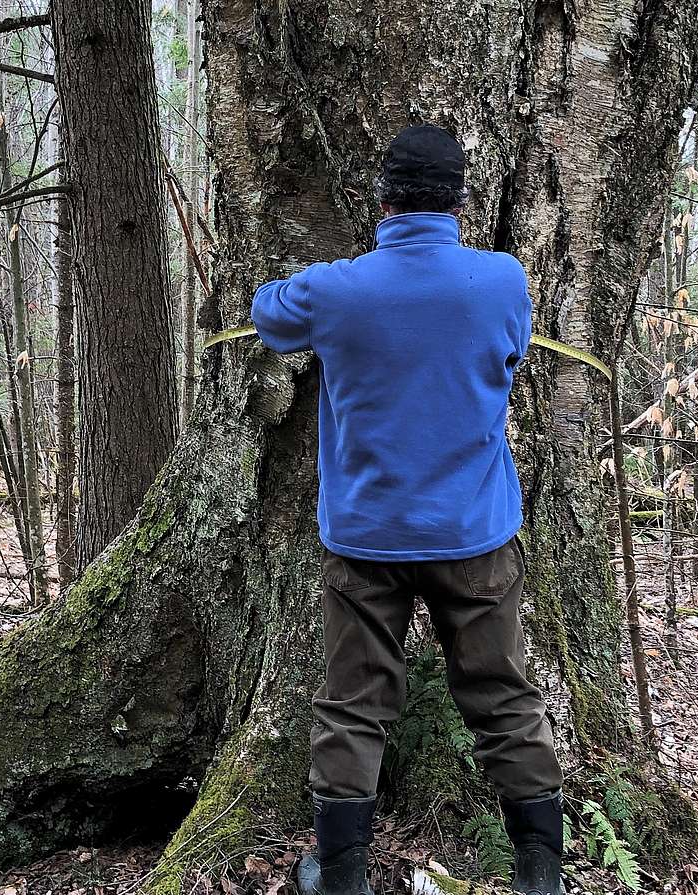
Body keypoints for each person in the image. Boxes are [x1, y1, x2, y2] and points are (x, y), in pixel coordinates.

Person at [251, 124, 563, 895]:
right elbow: (513, 350)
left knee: (354, 705)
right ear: (460, 201)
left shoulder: (337, 289)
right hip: (474, 534)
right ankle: (539, 875)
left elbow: (269, 315)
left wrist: (331, 286)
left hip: (368, 537)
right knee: (505, 698)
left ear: (382, 200)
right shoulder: (501, 280)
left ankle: (342, 876)